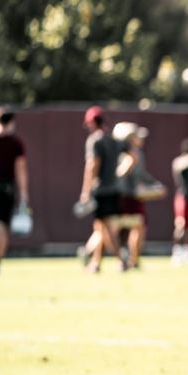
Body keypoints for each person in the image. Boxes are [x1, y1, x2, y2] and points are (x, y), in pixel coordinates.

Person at [78, 106, 129, 273]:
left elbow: (92, 165)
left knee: (105, 228)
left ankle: (121, 259)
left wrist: (86, 191)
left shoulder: (95, 141)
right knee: (100, 228)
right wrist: (121, 172)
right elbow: (133, 155)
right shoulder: (113, 140)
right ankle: (96, 263)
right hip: (114, 190)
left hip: (102, 190)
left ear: (93, 122)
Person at [0, 106, 30, 276]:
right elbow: (20, 169)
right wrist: (24, 194)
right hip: (5, 189)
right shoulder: (14, 143)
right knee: (1, 226)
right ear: (11, 122)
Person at [113, 122, 161, 270]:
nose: (141, 139)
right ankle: (125, 260)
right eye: (137, 136)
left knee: (131, 228)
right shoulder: (126, 153)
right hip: (126, 197)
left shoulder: (136, 153)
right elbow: (121, 175)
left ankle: (131, 260)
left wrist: (153, 183)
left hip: (132, 196)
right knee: (122, 229)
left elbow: (140, 175)